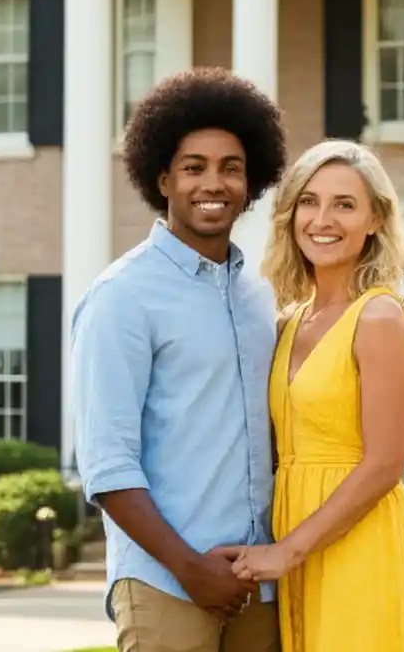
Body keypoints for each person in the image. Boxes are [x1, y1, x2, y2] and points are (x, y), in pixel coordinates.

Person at [72, 67, 288, 651]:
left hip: (259, 584)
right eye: (194, 167)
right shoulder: (122, 296)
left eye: (231, 168)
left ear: (252, 182)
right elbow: (107, 465)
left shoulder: (259, 295)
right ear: (163, 178)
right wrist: (191, 569)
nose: (212, 183)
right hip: (167, 582)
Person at [225, 140, 404, 651]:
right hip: (299, 536)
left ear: (374, 221)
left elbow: (385, 464)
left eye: (345, 204)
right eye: (309, 200)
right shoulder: (291, 320)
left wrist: (288, 552)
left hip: (360, 542)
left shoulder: (380, 317)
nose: (322, 218)